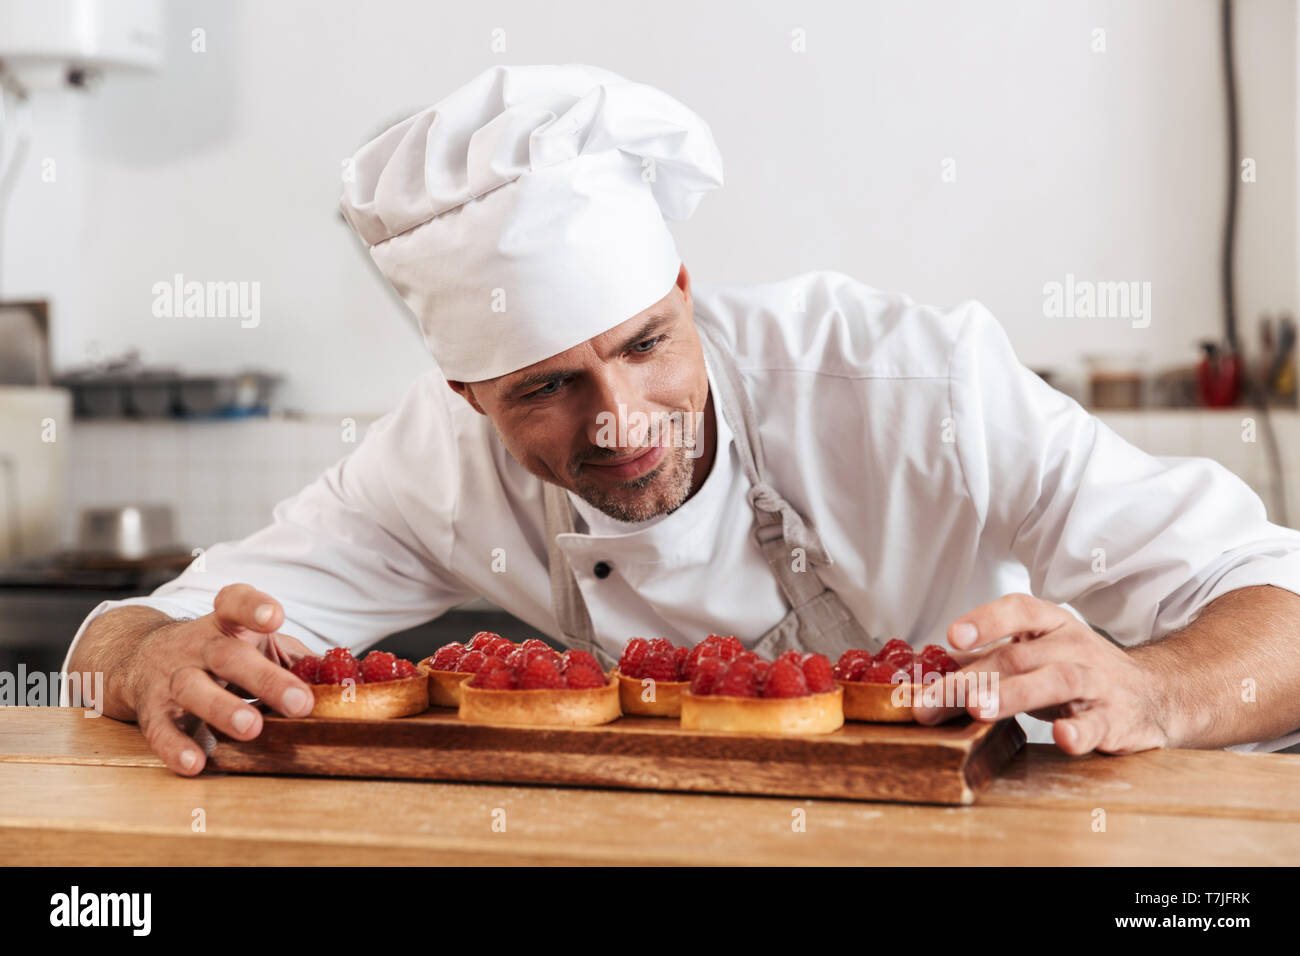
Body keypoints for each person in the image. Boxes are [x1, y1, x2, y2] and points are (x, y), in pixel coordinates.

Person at [61, 64, 1300, 776]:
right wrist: (143, 658)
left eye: (646, 345)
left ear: (685, 296)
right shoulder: (430, 465)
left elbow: (1276, 603)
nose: (622, 422)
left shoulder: (912, 384)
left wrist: (1152, 688)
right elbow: (130, 632)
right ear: (468, 397)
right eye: (544, 388)